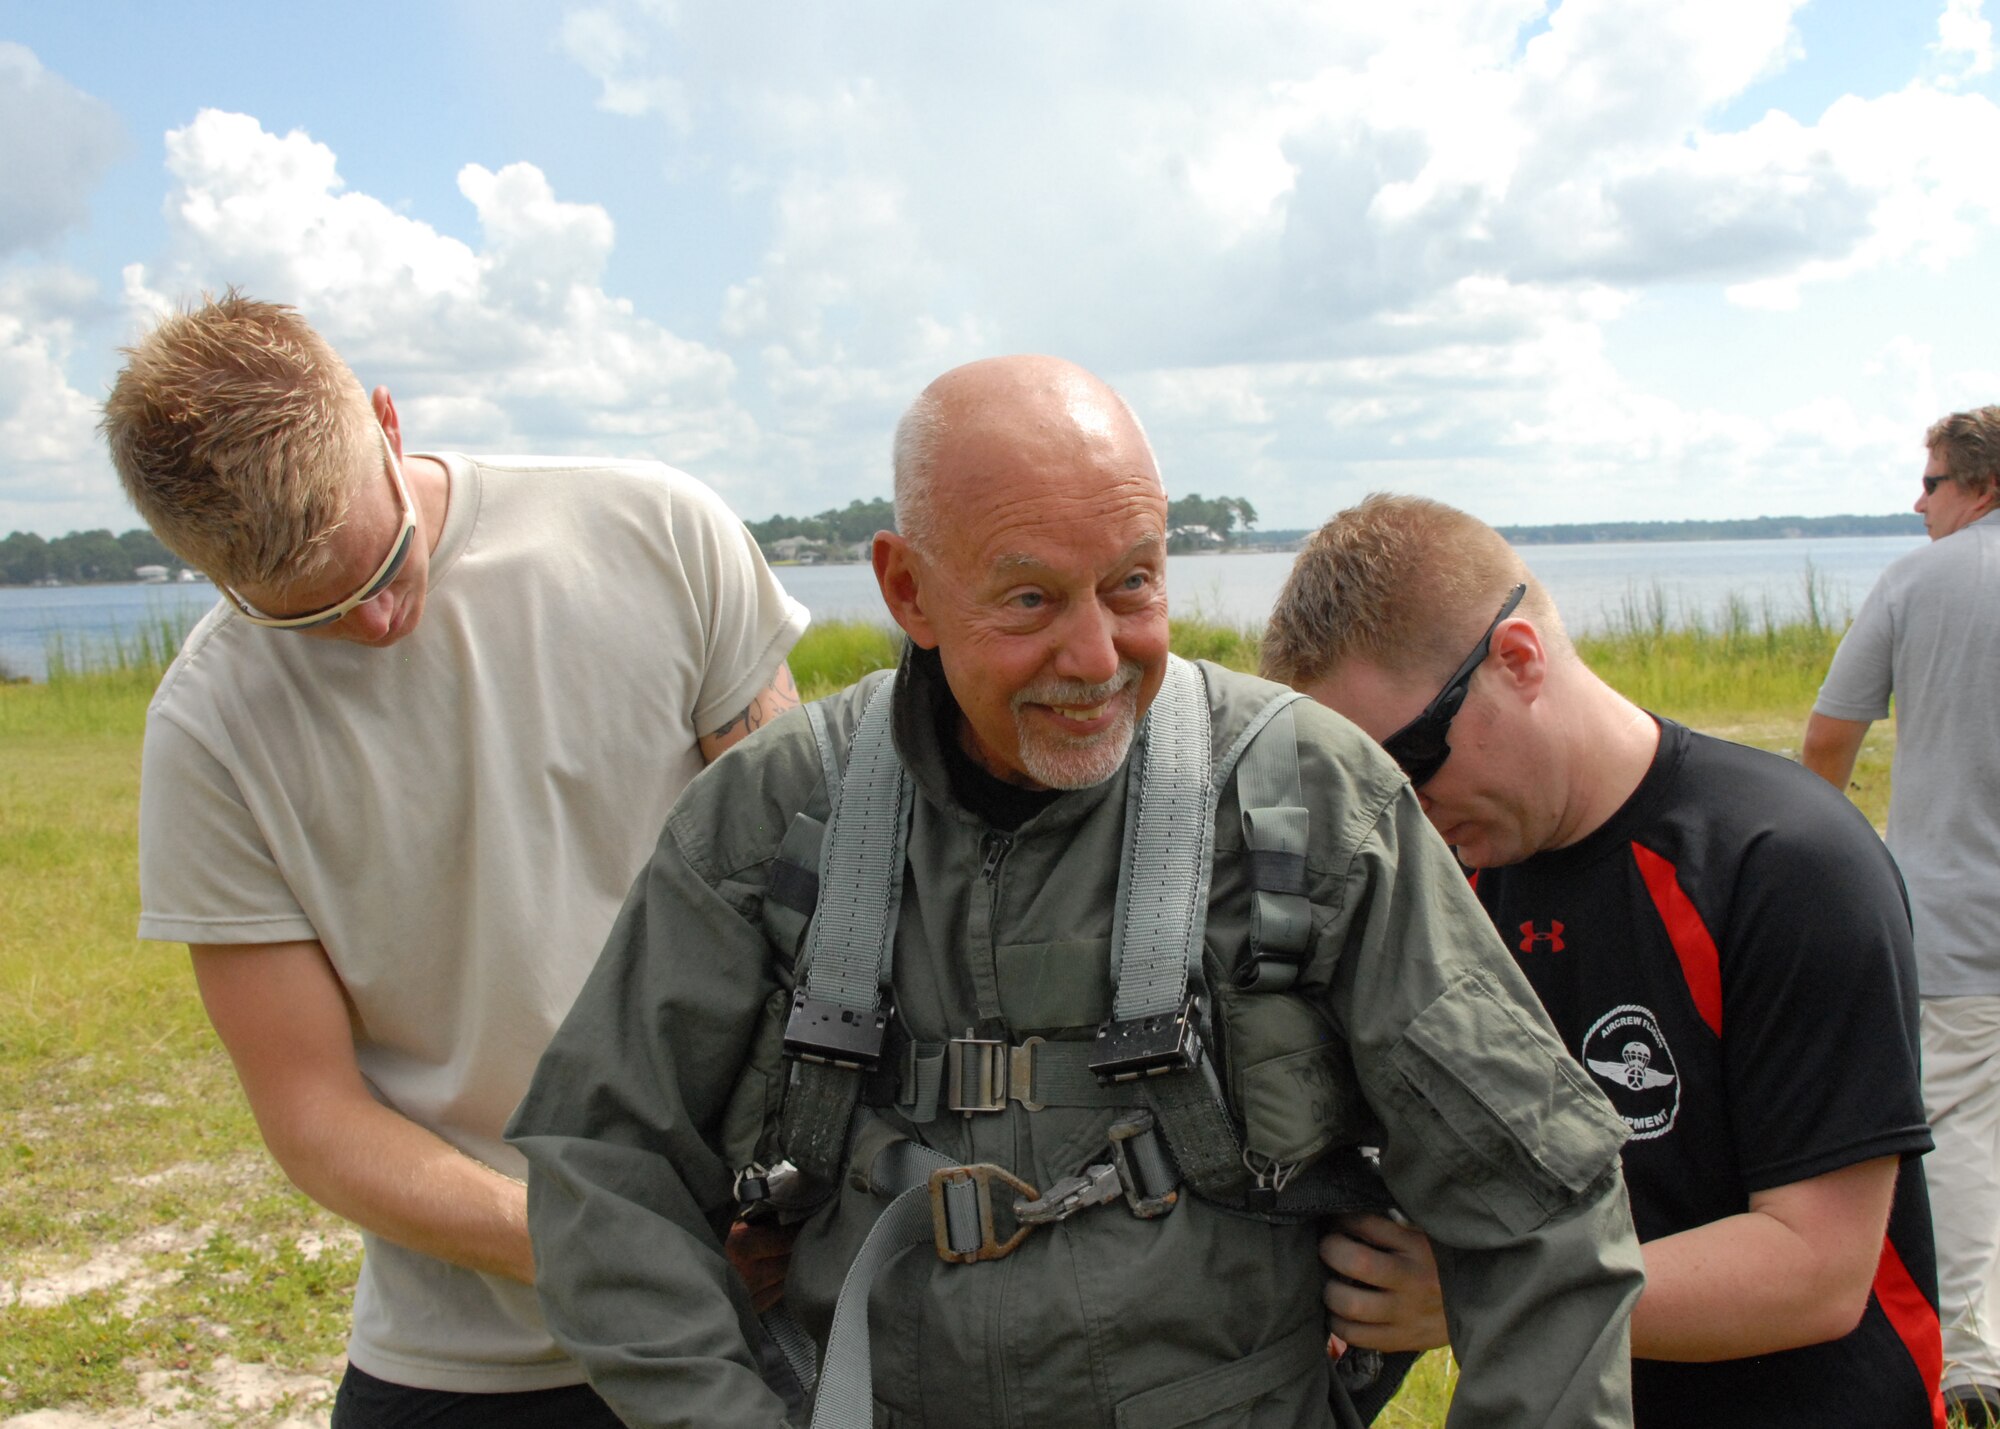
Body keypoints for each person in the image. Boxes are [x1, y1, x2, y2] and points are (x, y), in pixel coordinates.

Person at [507, 354, 1645, 1429]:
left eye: (1131, 583)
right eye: (1029, 600)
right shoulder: (775, 812)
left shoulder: (1307, 798)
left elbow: (1539, 1201)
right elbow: (603, 1163)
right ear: (907, 589)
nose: (1096, 655)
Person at [99, 292, 809, 1428]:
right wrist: (607, 1250)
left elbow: (817, 904)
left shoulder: (654, 530)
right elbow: (313, 1113)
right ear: (204, 574)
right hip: (465, 1362)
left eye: (380, 562)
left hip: (761, 1314)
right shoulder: (209, 729)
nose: (375, 622)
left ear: (389, 419)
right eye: (309, 616)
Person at [1264, 493, 1944, 1428]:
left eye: (1409, 760)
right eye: (1363, 787)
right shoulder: (1448, 877)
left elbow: (1818, 1270)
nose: (1404, 813)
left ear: (1516, 660)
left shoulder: (1784, 864)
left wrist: (1484, 1287)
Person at [1804, 406, 2000, 1426]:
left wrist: (1810, 851)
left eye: (1927, 481)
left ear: (1974, 485)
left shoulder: (1918, 582)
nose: (1915, 500)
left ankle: (1968, 1357)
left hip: (1954, 920)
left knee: (1958, 1133)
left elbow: (1831, 735)